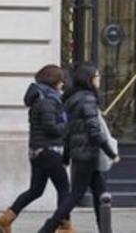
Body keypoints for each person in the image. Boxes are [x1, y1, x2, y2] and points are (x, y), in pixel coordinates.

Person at [36, 64, 118, 233]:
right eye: (97, 77)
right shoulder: (87, 99)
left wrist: (67, 156)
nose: (99, 80)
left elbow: (68, 131)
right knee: (76, 195)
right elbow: (94, 130)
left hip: (81, 153)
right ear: (89, 80)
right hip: (87, 154)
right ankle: (48, 228)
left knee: (100, 194)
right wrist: (111, 153)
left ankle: (105, 230)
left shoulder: (71, 99)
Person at [0, 65, 72, 233]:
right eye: (60, 81)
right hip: (50, 151)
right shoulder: (49, 100)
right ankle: (65, 227)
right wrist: (67, 126)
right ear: (54, 81)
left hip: (38, 151)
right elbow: (50, 127)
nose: (62, 84)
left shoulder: (40, 98)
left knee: (36, 190)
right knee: (64, 189)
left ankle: (6, 219)